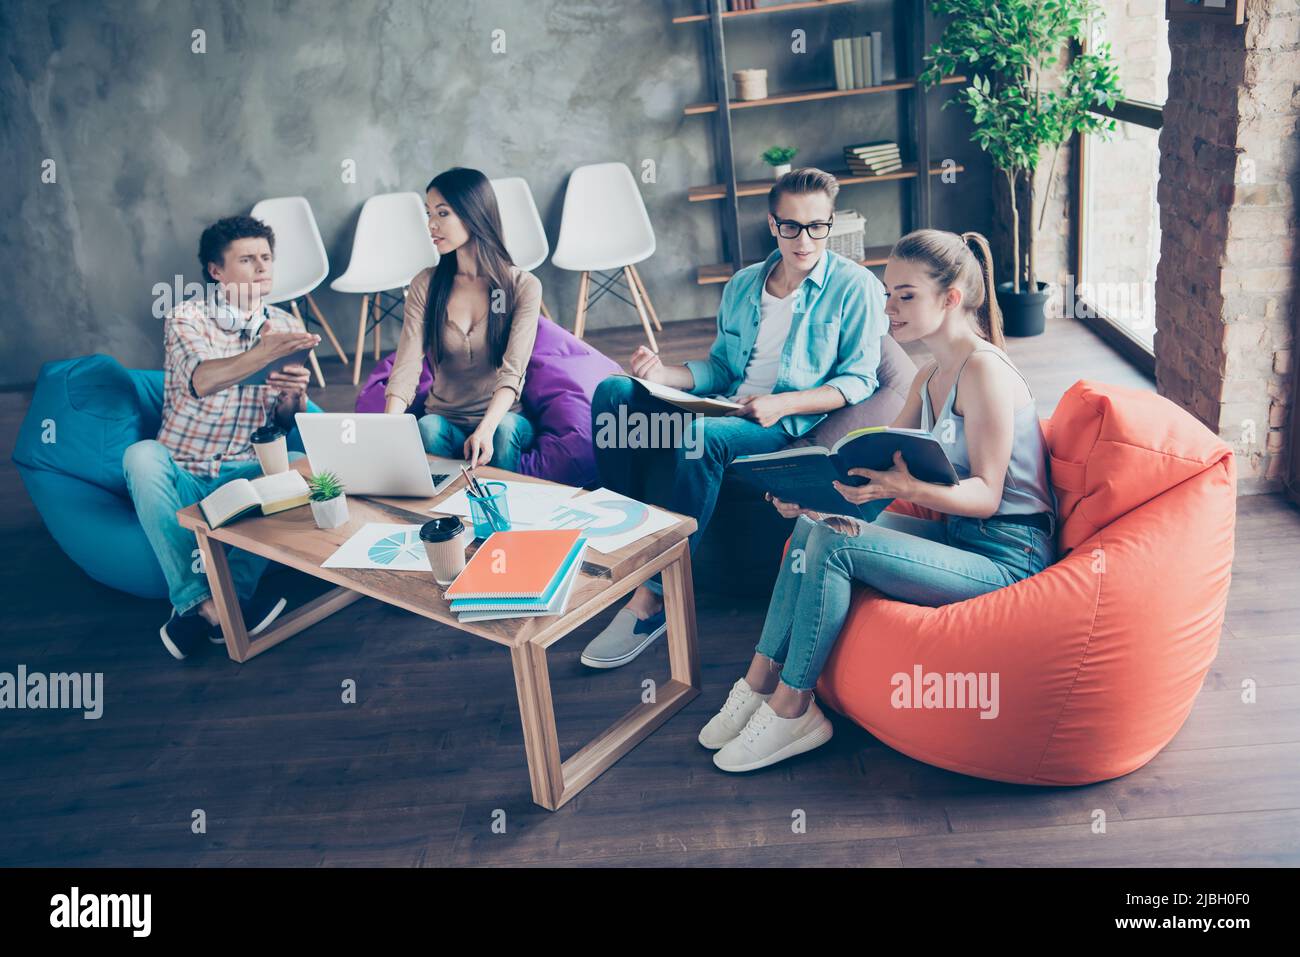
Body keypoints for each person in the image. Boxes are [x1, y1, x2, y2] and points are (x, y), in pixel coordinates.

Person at [700, 228, 1059, 772]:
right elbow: (867, 468)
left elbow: (986, 496)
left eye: (905, 295)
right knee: (812, 530)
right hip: (956, 536)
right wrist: (812, 497)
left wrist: (905, 488)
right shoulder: (929, 375)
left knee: (838, 549)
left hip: (1008, 556)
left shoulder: (983, 370)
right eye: (887, 293)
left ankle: (795, 709)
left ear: (951, 298)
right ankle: (760, 680)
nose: (888, 307)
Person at [582, 168, 890, 670]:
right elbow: (721, 368)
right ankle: (625, 541)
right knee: (614, 393)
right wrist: (666, 374)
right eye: (791, 226)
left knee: (702, 437)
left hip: (778, 425)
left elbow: (859, 381)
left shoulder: (855, 288)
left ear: (831, 224)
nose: (804, 239)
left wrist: (782, 404)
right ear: (773, 225)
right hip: (727, 404)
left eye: (817, 226)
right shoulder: (745, 285)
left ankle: (655, 597)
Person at [123, 215, 321, 660]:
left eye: (266, 258)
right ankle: (203, 602)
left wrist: (294, 396)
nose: (261, 267)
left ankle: (219, 609)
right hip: (184, 472)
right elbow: (202, 381)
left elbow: (285, 423)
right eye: (247, 259)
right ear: (217, 271)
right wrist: (262, 352)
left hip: (242, 474)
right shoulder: (185, 317)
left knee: (292, 467)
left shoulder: (285, 323)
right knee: (140, 455)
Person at [384, 167, 542, 471]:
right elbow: (406, 367)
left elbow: (513, 372)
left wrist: (486, 428)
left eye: (442, 213)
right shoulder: (426, 286)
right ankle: (448, 516)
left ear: (474, 214)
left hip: (503, 418)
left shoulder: (522, 287)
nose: (431, 224)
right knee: (427, 428)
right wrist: (387, 430)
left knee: (505, 430)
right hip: (445, 420)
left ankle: (504, 514)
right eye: (428, 213)